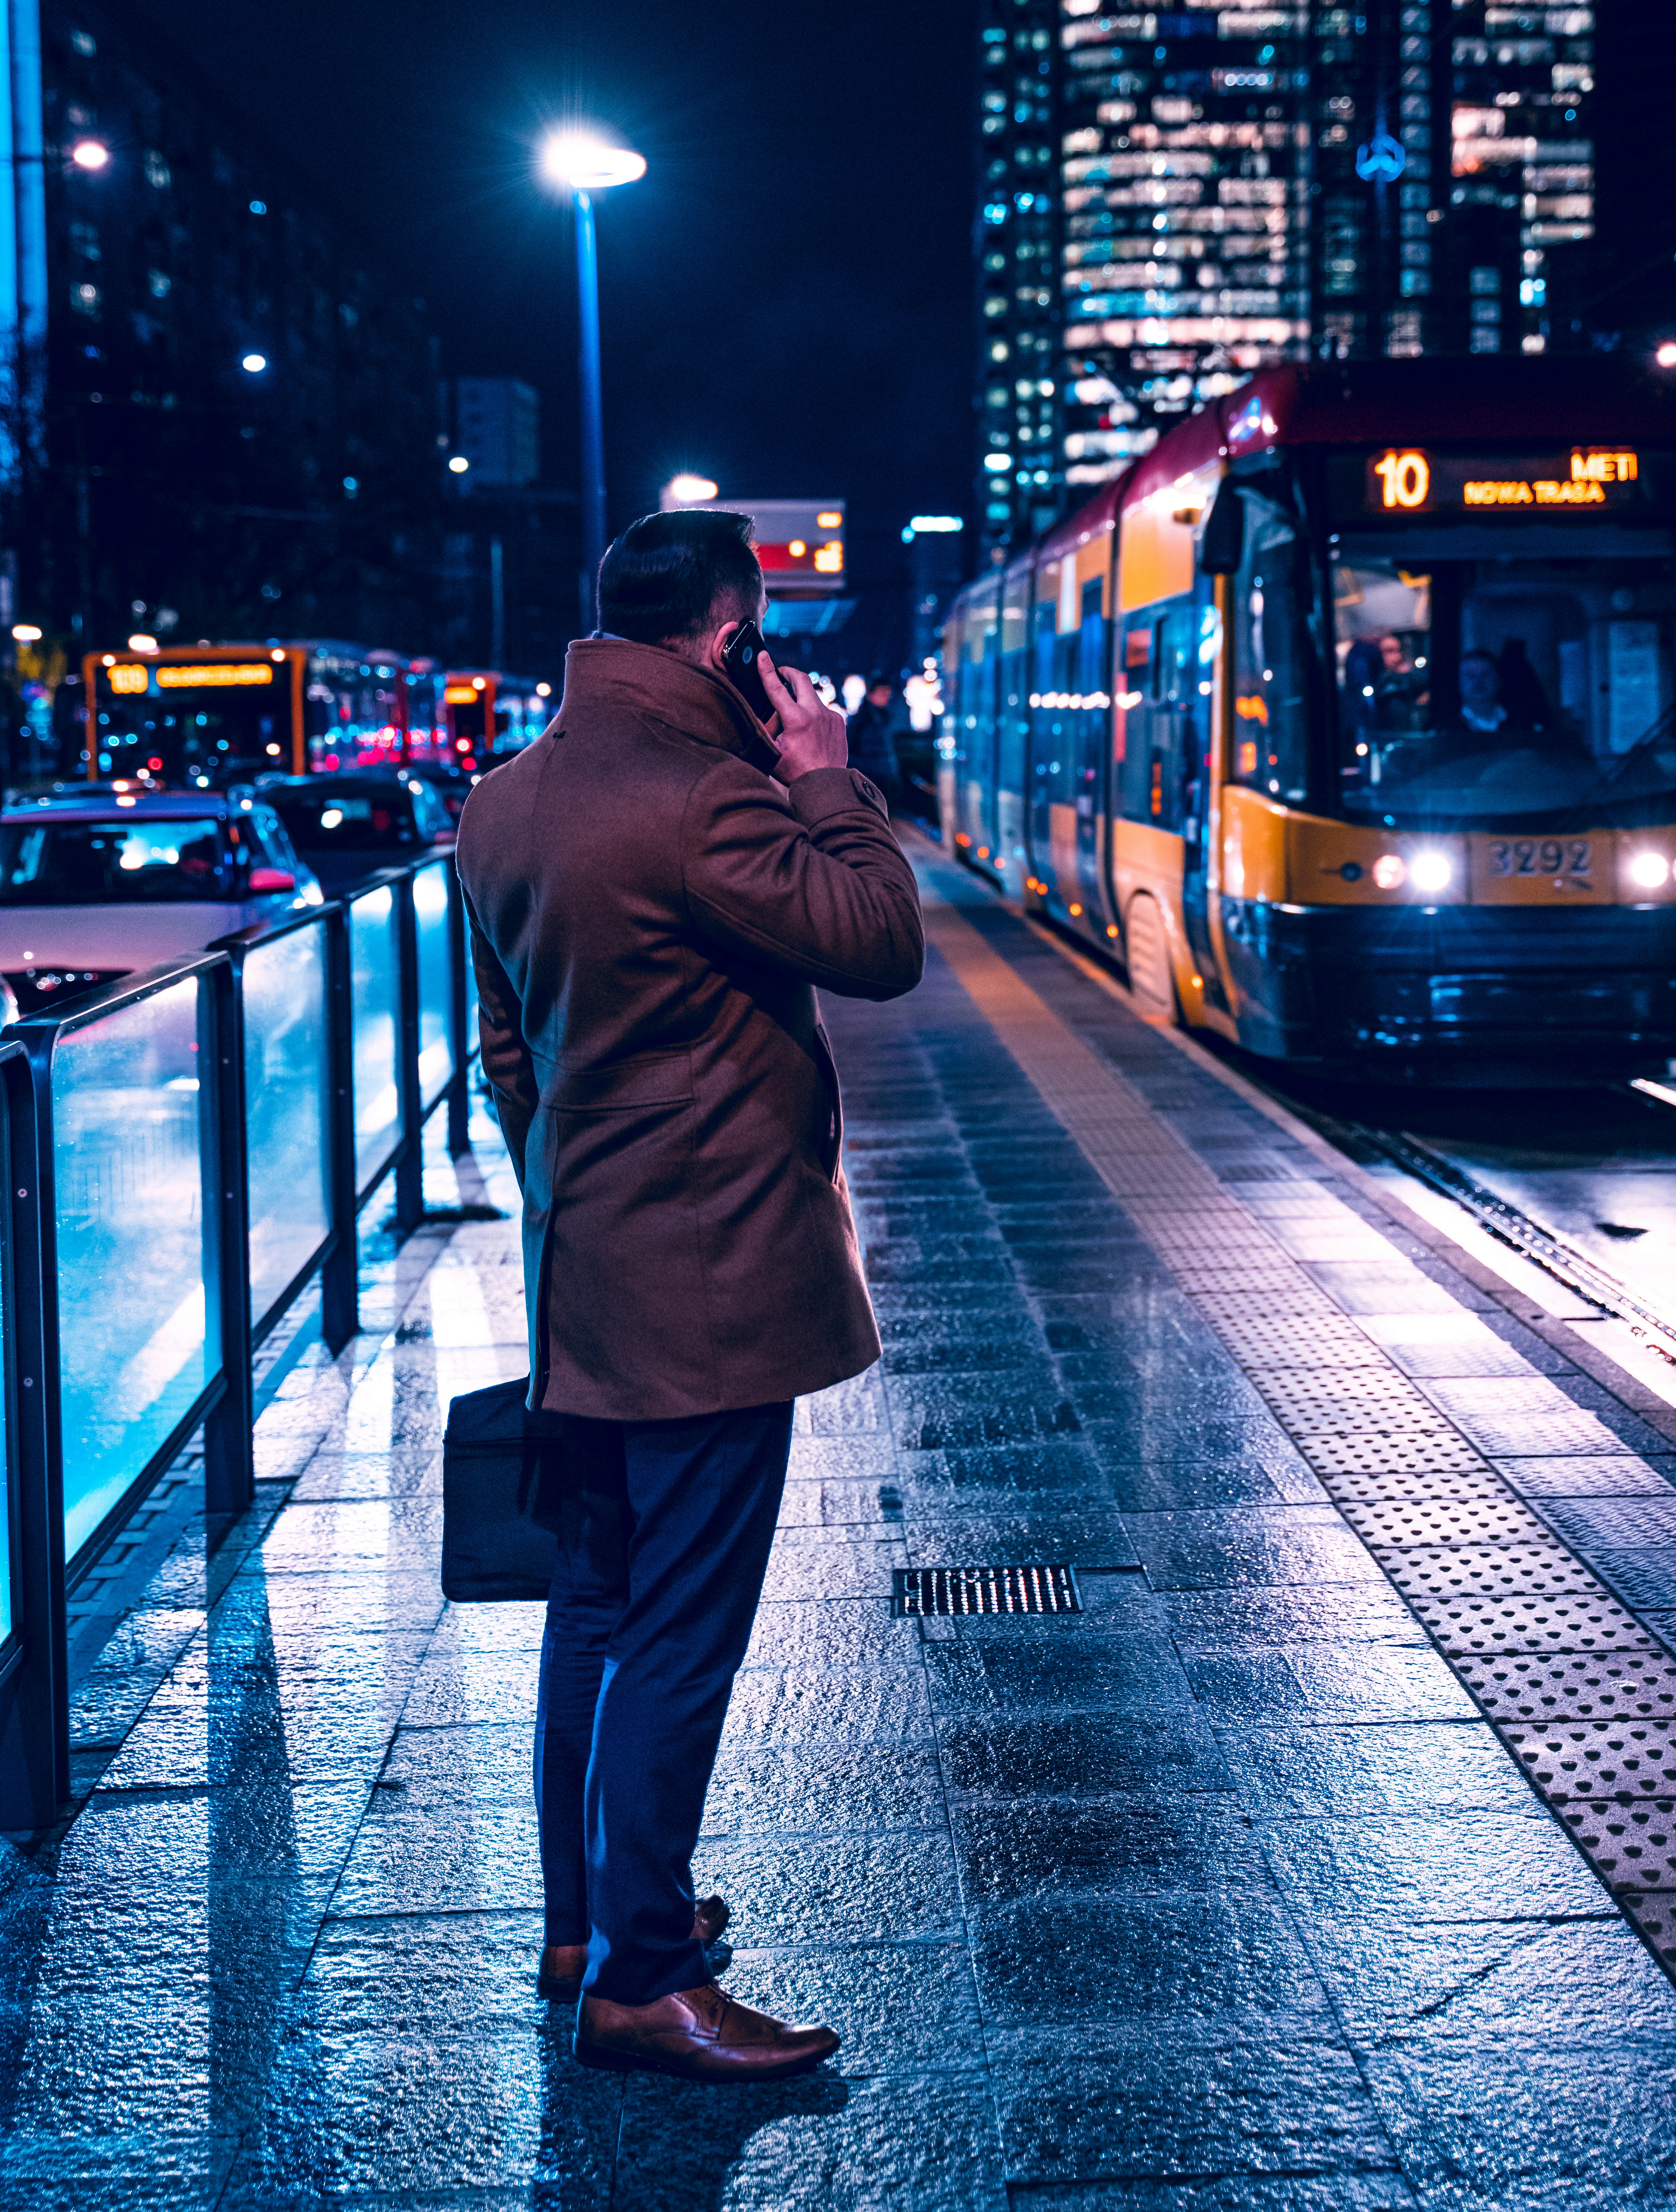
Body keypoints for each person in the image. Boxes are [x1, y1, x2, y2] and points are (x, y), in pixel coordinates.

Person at [454, 508, 924, 2082]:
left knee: (592, 1605)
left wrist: (584, 1193)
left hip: (581, 1276)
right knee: (678, 1631)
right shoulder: (703, 796)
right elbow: (873, 939)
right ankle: (644, 1979)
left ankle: (586, 1921)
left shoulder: (503, 800)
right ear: (730, 637)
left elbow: (508, 1056)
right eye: (760, 638)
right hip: (709, 1288)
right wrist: (821, 774)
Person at [844, 672, 901, 808]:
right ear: (871, 694)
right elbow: (850, 750)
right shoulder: (862, 720)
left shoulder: (883, 718)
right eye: (883, 694)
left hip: (883, 779)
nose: (887, 697)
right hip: (872, 780)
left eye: (889, 694)